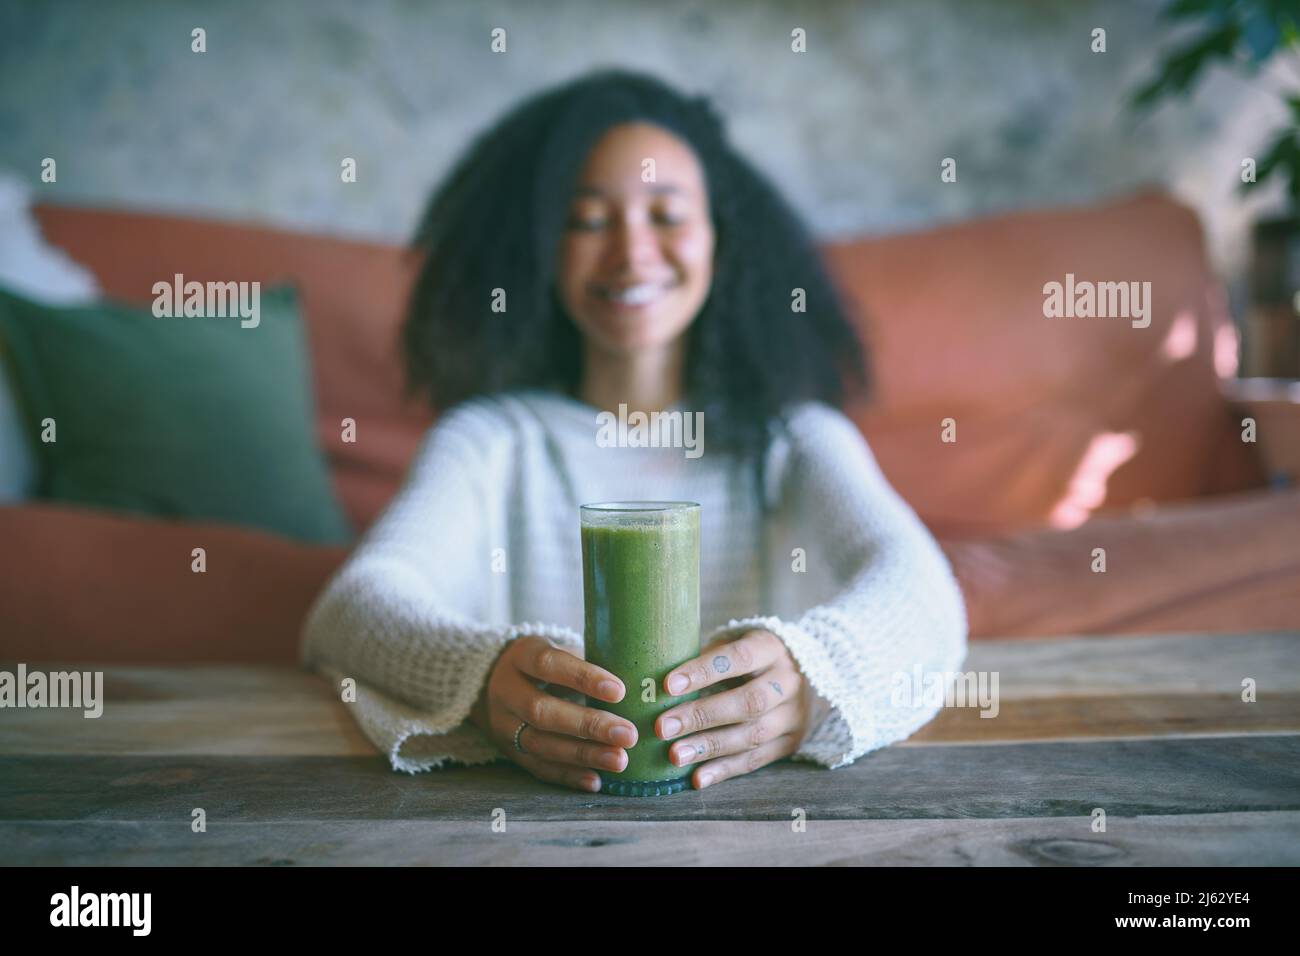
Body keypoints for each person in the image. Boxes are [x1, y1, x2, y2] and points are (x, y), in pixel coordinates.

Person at [301, 68, 968, 794]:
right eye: (586, 220)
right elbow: (353, 608)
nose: (631, 252)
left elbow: (923, 591)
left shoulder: (793, 439)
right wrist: (476, 675)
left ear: (721, 240)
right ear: (542, 252)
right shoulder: (492, 442)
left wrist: (814, 674)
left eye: (668, 214)